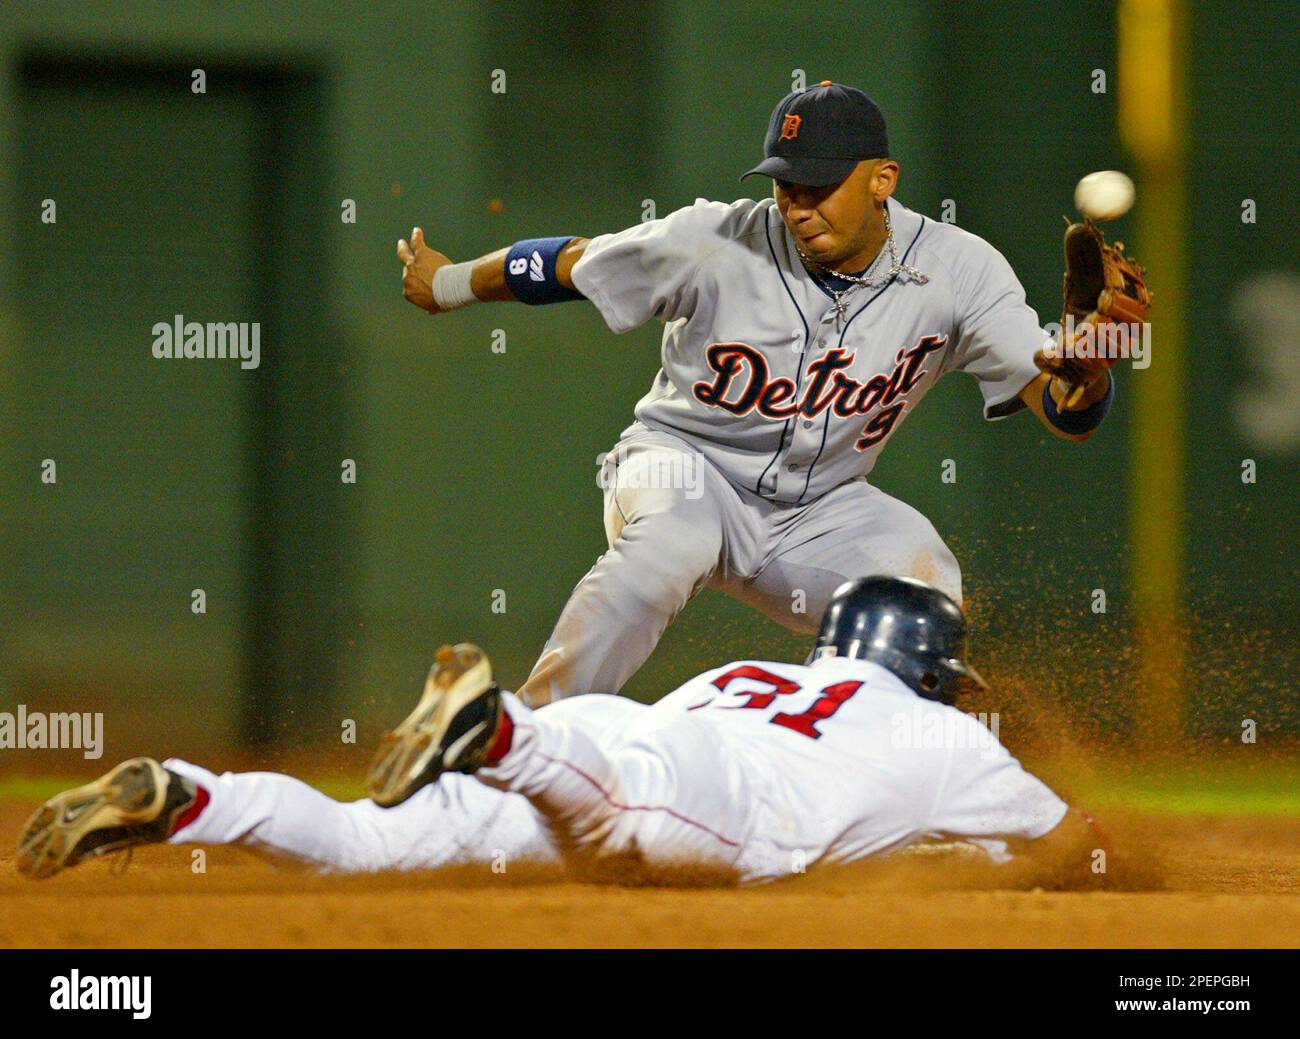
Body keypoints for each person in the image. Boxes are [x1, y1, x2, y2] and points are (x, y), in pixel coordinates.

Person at [397, 81, 1121, 705]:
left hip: (821, 507)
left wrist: (1094, 366)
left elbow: (1062, 409)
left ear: (883, 178)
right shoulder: (715, 240)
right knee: (667, 547)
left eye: (821, 184)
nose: (799, 205)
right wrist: (450, 282)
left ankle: (834, 774)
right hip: (683, 465)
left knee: (922, 587)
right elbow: (568, 264)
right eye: (787, 184)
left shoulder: (960, 269)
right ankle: (523, 742)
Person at [18, 577, 1105, 886]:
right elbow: (1070, 852)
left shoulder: (754, 667)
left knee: (358, 845)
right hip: (694, 795)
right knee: (627, 822)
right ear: (930, 669)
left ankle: (192, 794)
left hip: (614, 733)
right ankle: (492, 734)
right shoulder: (949, 739)